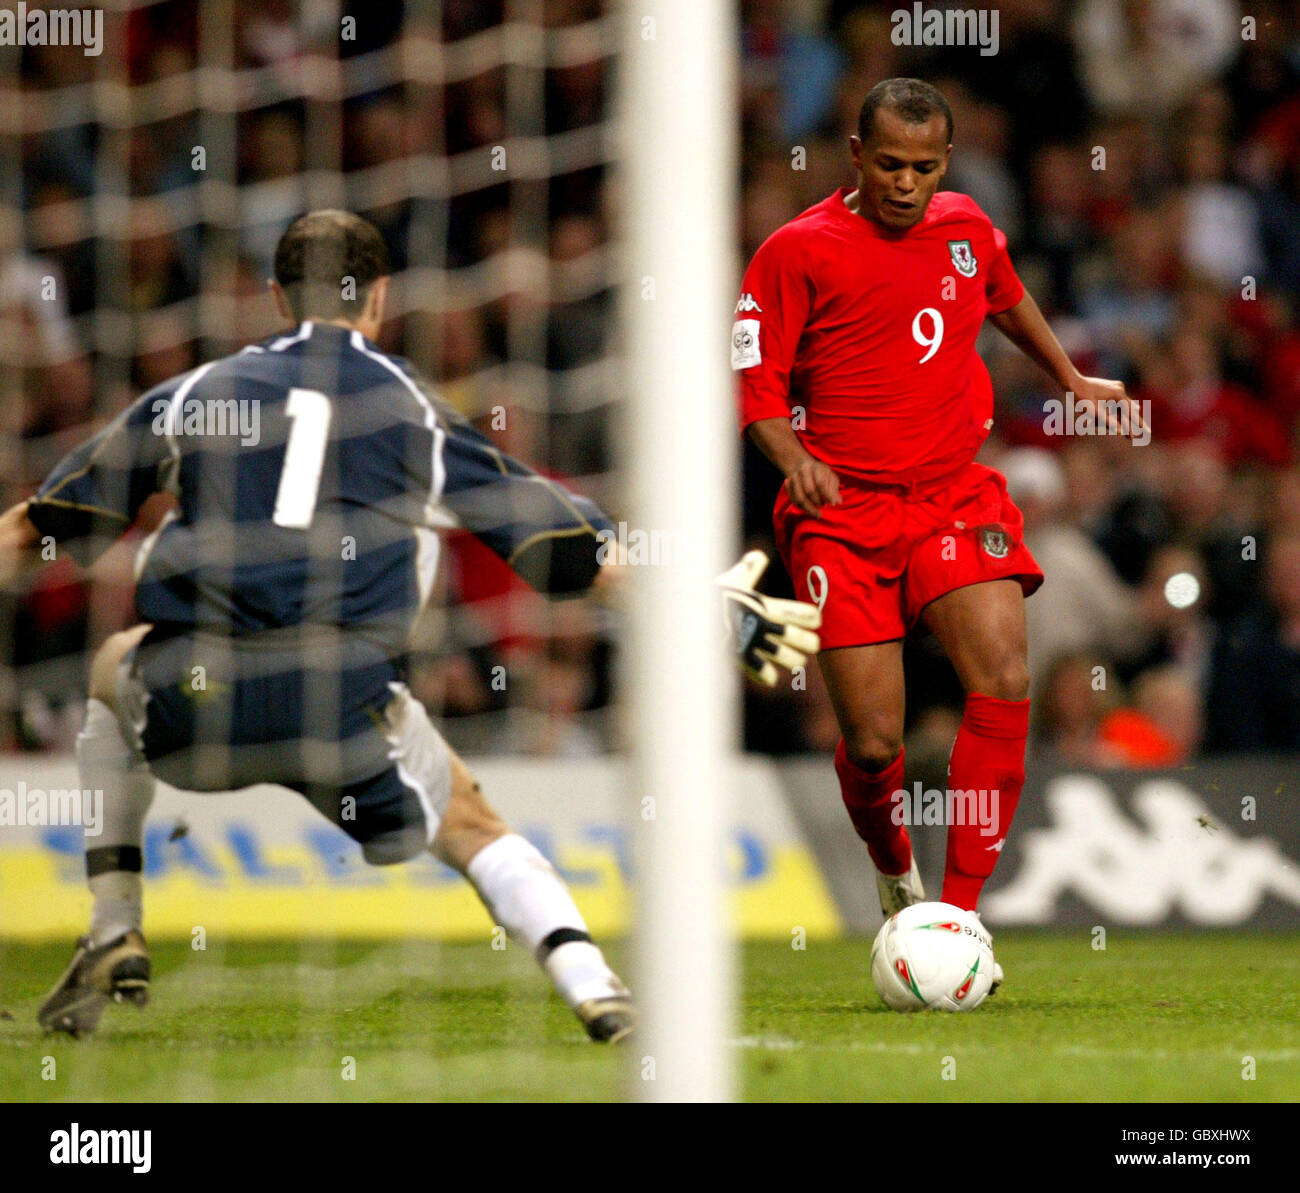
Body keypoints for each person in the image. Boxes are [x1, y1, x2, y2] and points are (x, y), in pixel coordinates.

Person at [0, 210, 819, 1042]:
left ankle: (113, 921)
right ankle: (596, 990)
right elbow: (565, 549)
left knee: (110, 662)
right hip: (344, 707)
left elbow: (43, 526)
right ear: (380, 298)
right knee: (473, 826)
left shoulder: (195, 395)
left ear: (278, 297)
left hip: (194, 699)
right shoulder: (410, 413)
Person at [734, 78, 1141, 985]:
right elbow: (755, 387)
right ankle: (893, 872)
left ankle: (958, 915)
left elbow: (1004, 295)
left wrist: (1072, 377)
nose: (906, 183)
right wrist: (792, 452)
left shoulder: (967, 226)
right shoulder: (796, 252)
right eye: (889, 164)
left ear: (945, 162)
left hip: (953, 495)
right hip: (843, 515)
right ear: (854, 153)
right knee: (876, 741)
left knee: (1001, 670)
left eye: (923, 166)